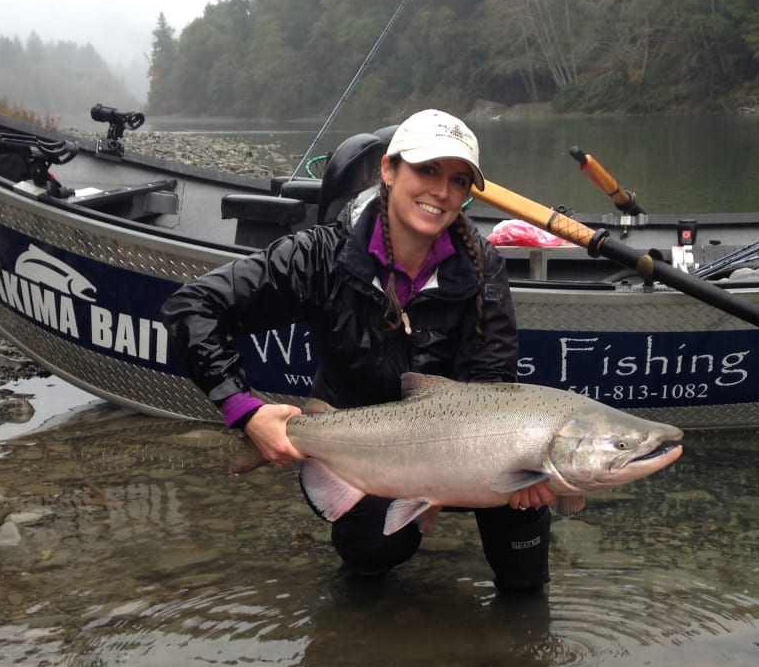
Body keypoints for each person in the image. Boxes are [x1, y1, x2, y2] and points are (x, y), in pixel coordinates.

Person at [162, 109, 555, 592]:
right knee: (373, 549)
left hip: (466, 450)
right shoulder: (319, 256)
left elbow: (494, 381)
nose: (440, 191)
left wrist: (520, 465)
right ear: (389, 170)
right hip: (361, 450)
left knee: (528, 533)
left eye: (457, 180)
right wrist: (244, 411)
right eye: (426, 170)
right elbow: (192, 306)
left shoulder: (483, 266)